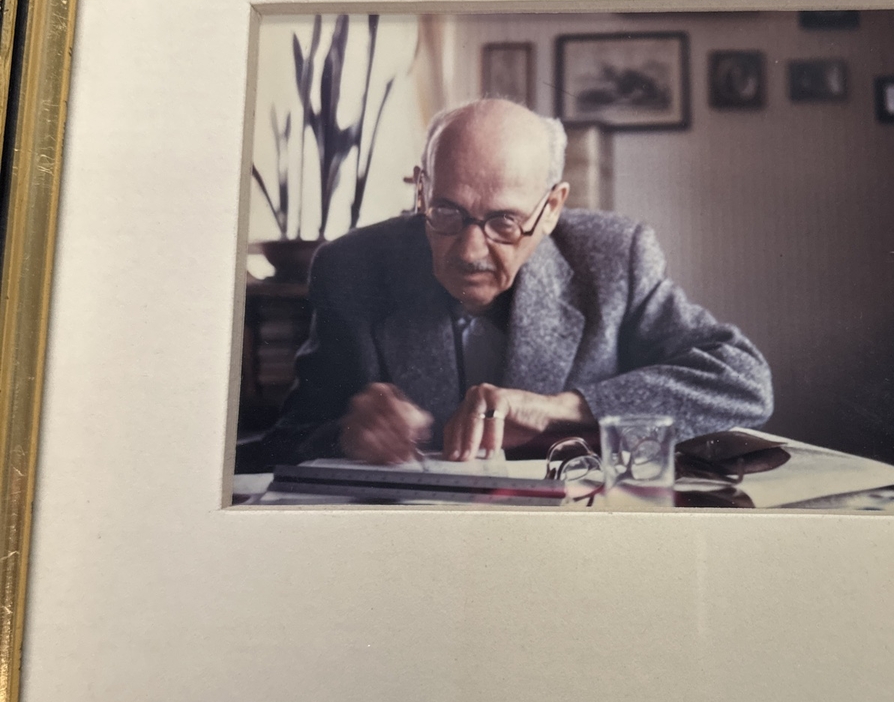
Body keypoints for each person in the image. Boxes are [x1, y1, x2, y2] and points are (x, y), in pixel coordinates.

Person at [243, 98, 773, 468]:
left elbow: (743, 382)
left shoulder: (613, 258)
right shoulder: (352, 267)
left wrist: (559, 409)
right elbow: (278, 446)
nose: (471, 251)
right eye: (446, 212)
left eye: (504, 222)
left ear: (551, 208)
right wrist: (343, 436)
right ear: (421, 189)